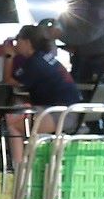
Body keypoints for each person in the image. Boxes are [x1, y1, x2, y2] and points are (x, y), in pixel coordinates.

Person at [6, 22, 82, 168]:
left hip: (61, 114)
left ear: (27, 42)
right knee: (19, 112)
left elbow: (9, 81)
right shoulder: (45, 57)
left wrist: (9, 56)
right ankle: (29, 163)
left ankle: (19, 169)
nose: (16, 44)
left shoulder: (34, 63)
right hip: (71, 111)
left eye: (18, 40)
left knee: (14, 127)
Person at [59, 0, 104, 85]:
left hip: (99, 60)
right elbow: (62, 22)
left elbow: (90, 33)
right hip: (80, 58)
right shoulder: (77, 4)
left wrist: (63, 35)